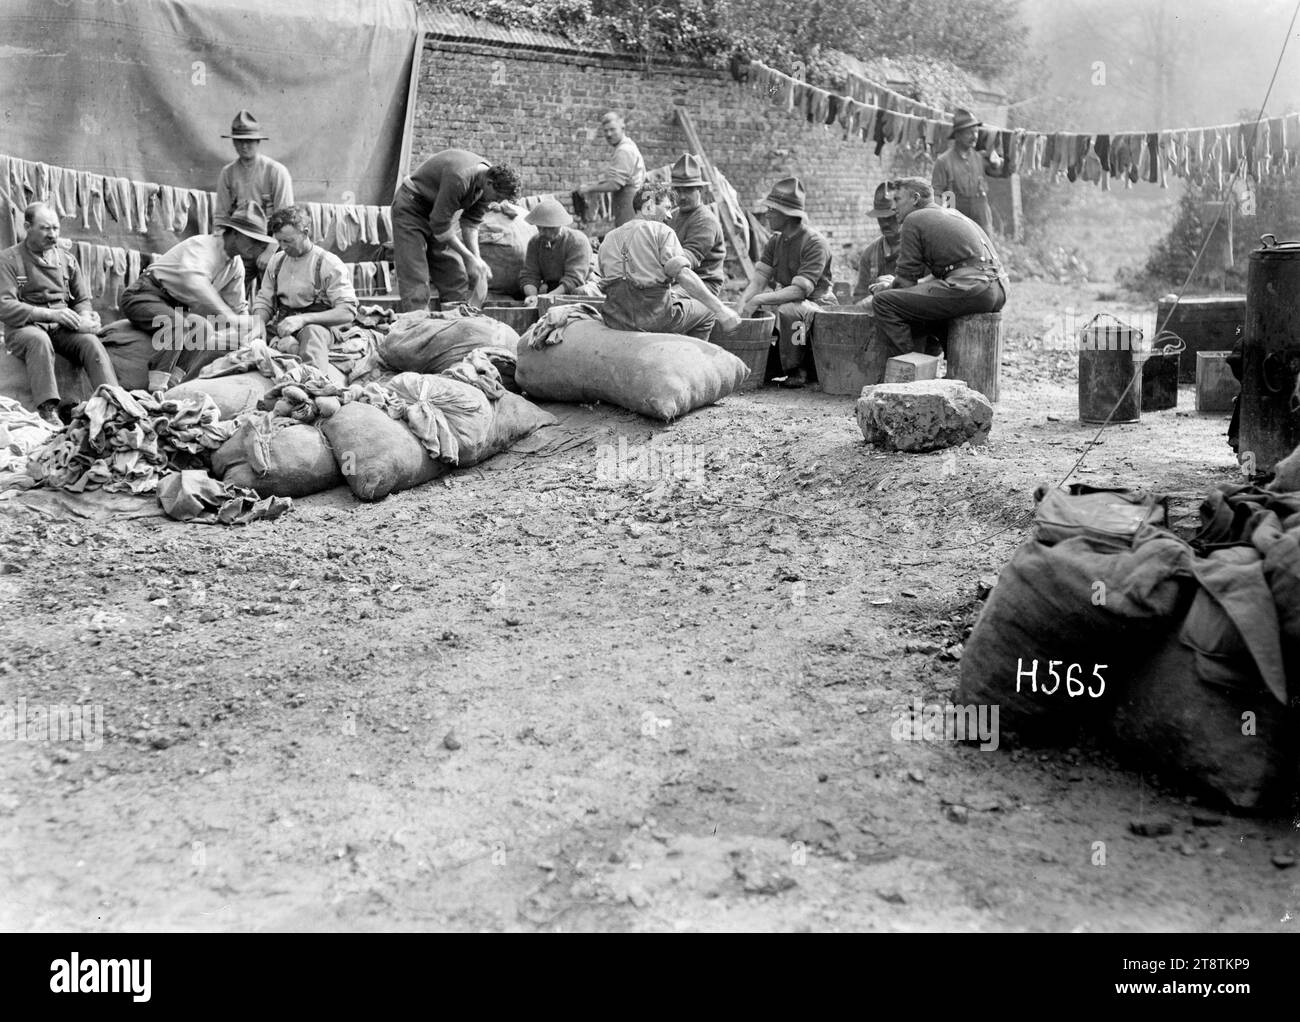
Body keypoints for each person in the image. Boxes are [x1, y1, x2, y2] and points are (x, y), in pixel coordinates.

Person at [864, 177, 1008, 386]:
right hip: (996, 288)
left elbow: (905, 281)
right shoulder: (950, 213)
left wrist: (889, 286)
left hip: (973, 287)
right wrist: (901, 284)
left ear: (914, 198)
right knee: (927, 305)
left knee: (884, 302)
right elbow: (941, 274)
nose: (894, 206)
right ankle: (955, 371)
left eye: (898, 199)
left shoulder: (914, 220)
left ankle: (910, 375)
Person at [119, 201, 271, 390]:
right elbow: (195, 282)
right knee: (178, 325)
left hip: (175, 306)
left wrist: (251, 333)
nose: (257, 247)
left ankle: (174, 384)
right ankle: (156, 387)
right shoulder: (202, 245)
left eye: (260, 242)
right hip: (144, 294)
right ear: (235, 233)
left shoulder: (235, 265)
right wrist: (229, 316)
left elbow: (239, 307)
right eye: (252, 239)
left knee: (203, 327)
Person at [0, 203, 116, 423]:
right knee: (39, 340)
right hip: (24, 328)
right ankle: (48, 409)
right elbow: (4, 305)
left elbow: (82, 299)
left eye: (56, 228)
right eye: (45, 228)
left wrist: (85, 317)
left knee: (90, 342)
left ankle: (113, 400)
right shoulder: (8, 260)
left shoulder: (67, 260)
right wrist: (49, 314)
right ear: (27, 227)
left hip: (62, 327)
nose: (52, 235)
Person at [596, 182, 740, 340]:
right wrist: (722, 311)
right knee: (707, 311)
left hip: (615, 318)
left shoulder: (609, 238)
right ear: (650, 205)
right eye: (667, 207)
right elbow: (683, 274)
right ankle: (690, 359)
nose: (670, 215)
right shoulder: (660, 231)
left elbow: (607, 278)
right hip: (653, 318)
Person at [733, 177, 836, 388]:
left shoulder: (814, 243)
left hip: (817, 306)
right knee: (768, 312)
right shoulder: (775, 241)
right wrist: (741, 306)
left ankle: (797, 368)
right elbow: (758, 280)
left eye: (772, 209)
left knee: (791, 311)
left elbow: (800, 291)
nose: (767, 213)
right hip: (789, 302)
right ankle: (776, 361)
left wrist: (760, 299)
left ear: (787, 214)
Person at [392, 149, 521, 313]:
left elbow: (471, 223)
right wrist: (468, 257)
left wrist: (477, 259)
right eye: (497, 197)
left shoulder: (486, 182)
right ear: (489, 183)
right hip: (411, 208)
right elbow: (440, 226)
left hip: (438, 211)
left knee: (454, 276)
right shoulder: (460, 178)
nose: (496, 202)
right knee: (416, 277)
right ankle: (417, 329)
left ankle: (456, 325)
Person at [251, 205, 357, 375]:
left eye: (288, 241)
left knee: (312, 333)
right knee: (247, 332)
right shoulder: (276, 261)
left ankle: (312, 381)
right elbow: (265, 301)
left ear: (305, 233)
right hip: (283, 325)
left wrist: (303, 320)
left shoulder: (328, 264)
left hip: (320, 327)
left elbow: (348, 311)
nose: (283, 246)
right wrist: (259, 323)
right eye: (279, 241)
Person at [216, 110, 294, 290]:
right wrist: (222, 252)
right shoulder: (228, 174)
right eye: (240, 140)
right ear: (233, 142)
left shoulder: (276, 172)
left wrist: (270, 250)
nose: (244, 146)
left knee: (273, 298)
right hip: (239, 246)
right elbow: (221, 217)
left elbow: (287, 219)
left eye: (249, 140)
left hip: (272, 244)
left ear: (258, 141)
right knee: (226, 295)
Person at [931, 108, 998, 236]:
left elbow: (1002, 171)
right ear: (957, 135)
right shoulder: (944, 161)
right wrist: (947, 219)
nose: (974, 136)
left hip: (981, 215)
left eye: (976, 132)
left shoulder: (980, 158)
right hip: (957, 214)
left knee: (986, 252)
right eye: (969, 133)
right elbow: (937, 194)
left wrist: (998, 162)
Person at [668, 153, 726, 295]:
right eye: (677, 190)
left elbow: (688, 258)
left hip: (703, 283)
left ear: (700, 190)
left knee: (664, 299)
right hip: (680, 278)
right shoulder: (673, 215)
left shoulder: (705, 220)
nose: (681, 196)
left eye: (688, 190)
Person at [576, 112, 646, 227]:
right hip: (629, 203)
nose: (609, 134)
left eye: (613, 129)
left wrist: (588, 189)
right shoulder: (625, 146)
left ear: (622, 128)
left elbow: (615, 185)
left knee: (627, 239)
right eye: (605, 130)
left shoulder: (624, 150)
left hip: (630, 204)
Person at [519, 198, 593, 305]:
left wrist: (548, 297)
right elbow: (529, 275)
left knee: (581, 292)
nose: (543, 232)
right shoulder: (535, 242)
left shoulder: (577, 241)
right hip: (553, 288)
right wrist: (532, 297)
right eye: (540, 228)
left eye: (548, 228)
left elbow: (574, 279)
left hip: (581, 286)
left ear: (559, 225)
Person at [851, 182, 901, 305]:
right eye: (880, 218)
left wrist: (896, 286)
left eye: (890, 217)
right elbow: (859, 300)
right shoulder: (870, 254)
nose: (884, 223)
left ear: (901, 214)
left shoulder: (918, 248)